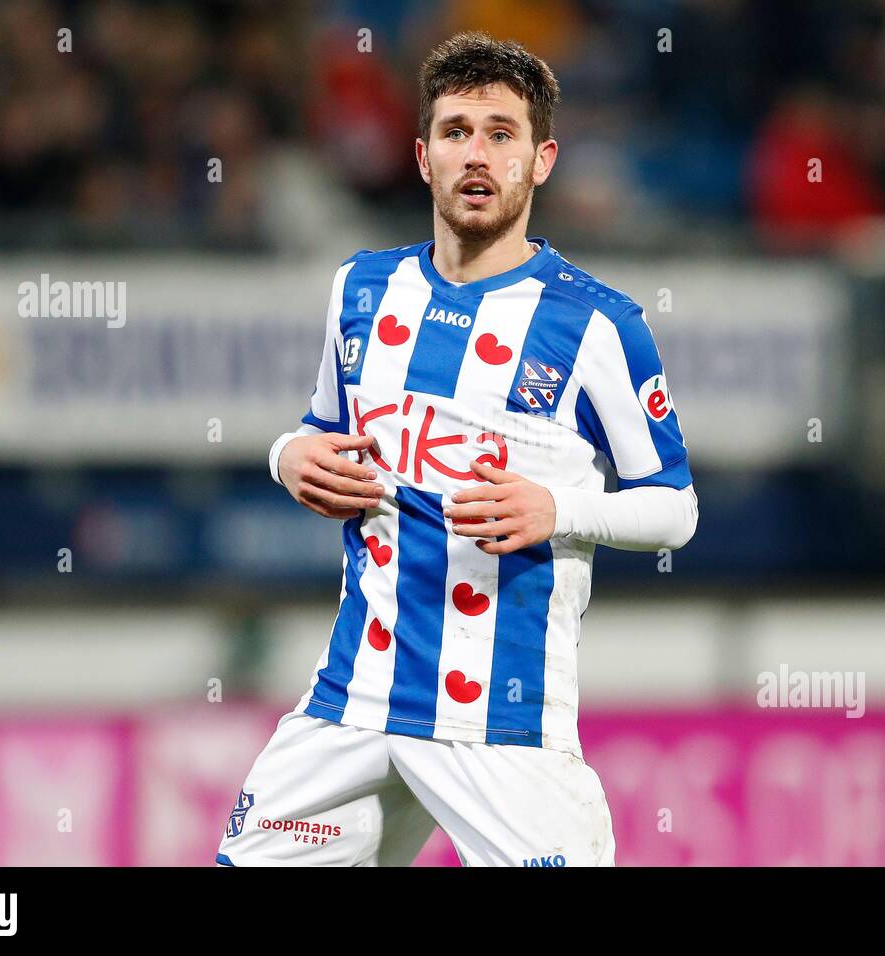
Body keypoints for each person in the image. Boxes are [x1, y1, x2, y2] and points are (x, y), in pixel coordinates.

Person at [217, 31, 697, 867]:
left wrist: (559, 509)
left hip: (505, 724)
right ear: (422, 156)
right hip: (354, 703)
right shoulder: (361, 289)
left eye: (501, 134)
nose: (477, 154)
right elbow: (321, 430)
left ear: (541, 161)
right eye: (456, 131)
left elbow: (675, 510)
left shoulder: (597, 324)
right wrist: (287, 456)